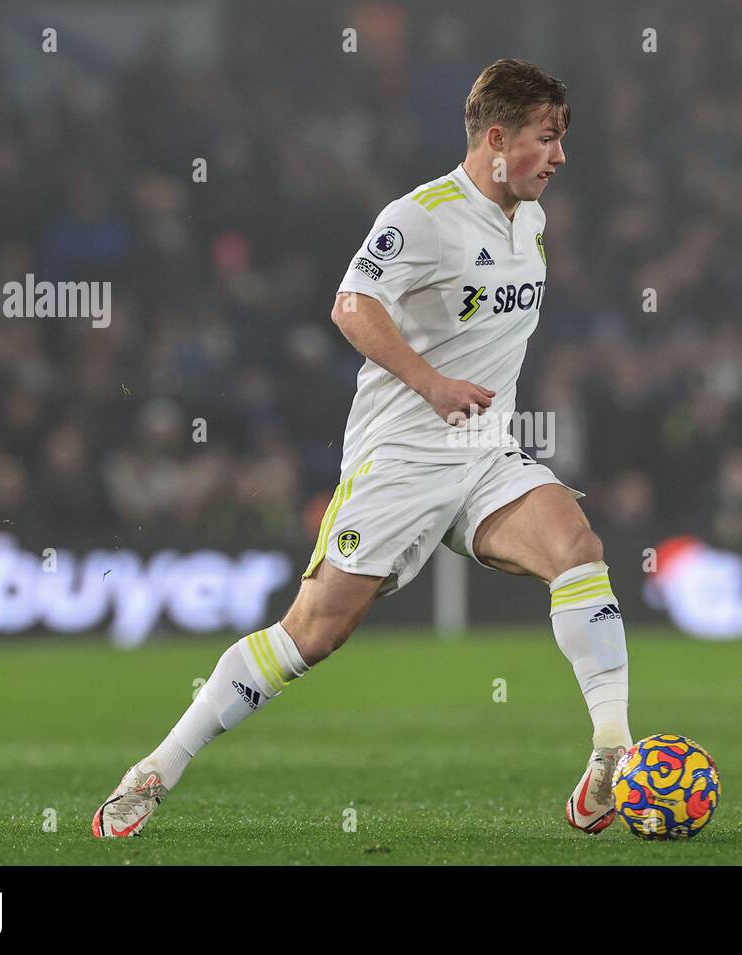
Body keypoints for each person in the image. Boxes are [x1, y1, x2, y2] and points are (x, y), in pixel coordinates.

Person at [93, 58, 632, 839]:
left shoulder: (532, 222)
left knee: (576, 546)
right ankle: (157, 767)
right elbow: (352, 307)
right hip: (402, 458)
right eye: (547, 139)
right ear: (495, 138)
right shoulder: (420, 216)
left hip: (484, 454)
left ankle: (610, 749)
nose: (559, 156)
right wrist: (432, 381)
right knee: (314, 632)